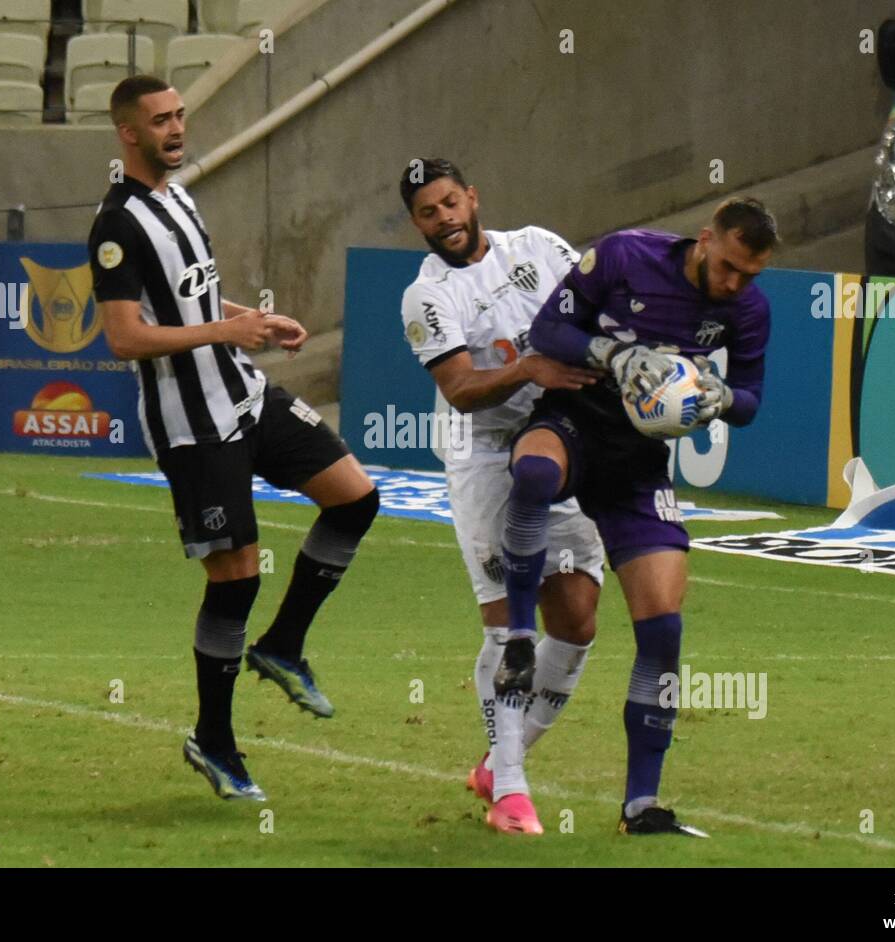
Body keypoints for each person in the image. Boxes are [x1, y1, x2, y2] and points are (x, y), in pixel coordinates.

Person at [88, 75, 378, 802]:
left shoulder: (180, 197)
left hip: (243, 391)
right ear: (128, 133)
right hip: (193, 426)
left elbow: (193, 297)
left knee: (355, 498)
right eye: (161, 120)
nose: (177, 129)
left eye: (181, 115)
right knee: (236, 575)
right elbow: (124, 338)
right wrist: (228, 330)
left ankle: (283, 646)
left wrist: (254, 319)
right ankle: (214, 739)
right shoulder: (116, 225)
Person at [501, 197, 777, 836]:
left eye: (749, 275)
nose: (734, 283)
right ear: (706, 239)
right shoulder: (626, 255)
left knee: (662, 629)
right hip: (574, 420)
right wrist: (613, 355)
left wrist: (720, 395)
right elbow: (548, 332)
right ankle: (518, 635)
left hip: (638, 462)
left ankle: (640, 806)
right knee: (535, 474)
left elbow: (753, 402)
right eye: (729, 266)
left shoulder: (749, 309)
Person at [399, 158, 606, 835]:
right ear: (417, 223)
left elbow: (595, 308)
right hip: (485, 456)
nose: (445, 219)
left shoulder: (540, 249)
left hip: (559, 441)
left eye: (451, 202)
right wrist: (528, 367)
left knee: (576, 619)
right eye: (429, 212)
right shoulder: (426, 295)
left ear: (473, 197)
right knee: (506, 626)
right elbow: (460, 387)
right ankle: (512, 790)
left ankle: (497, 760)